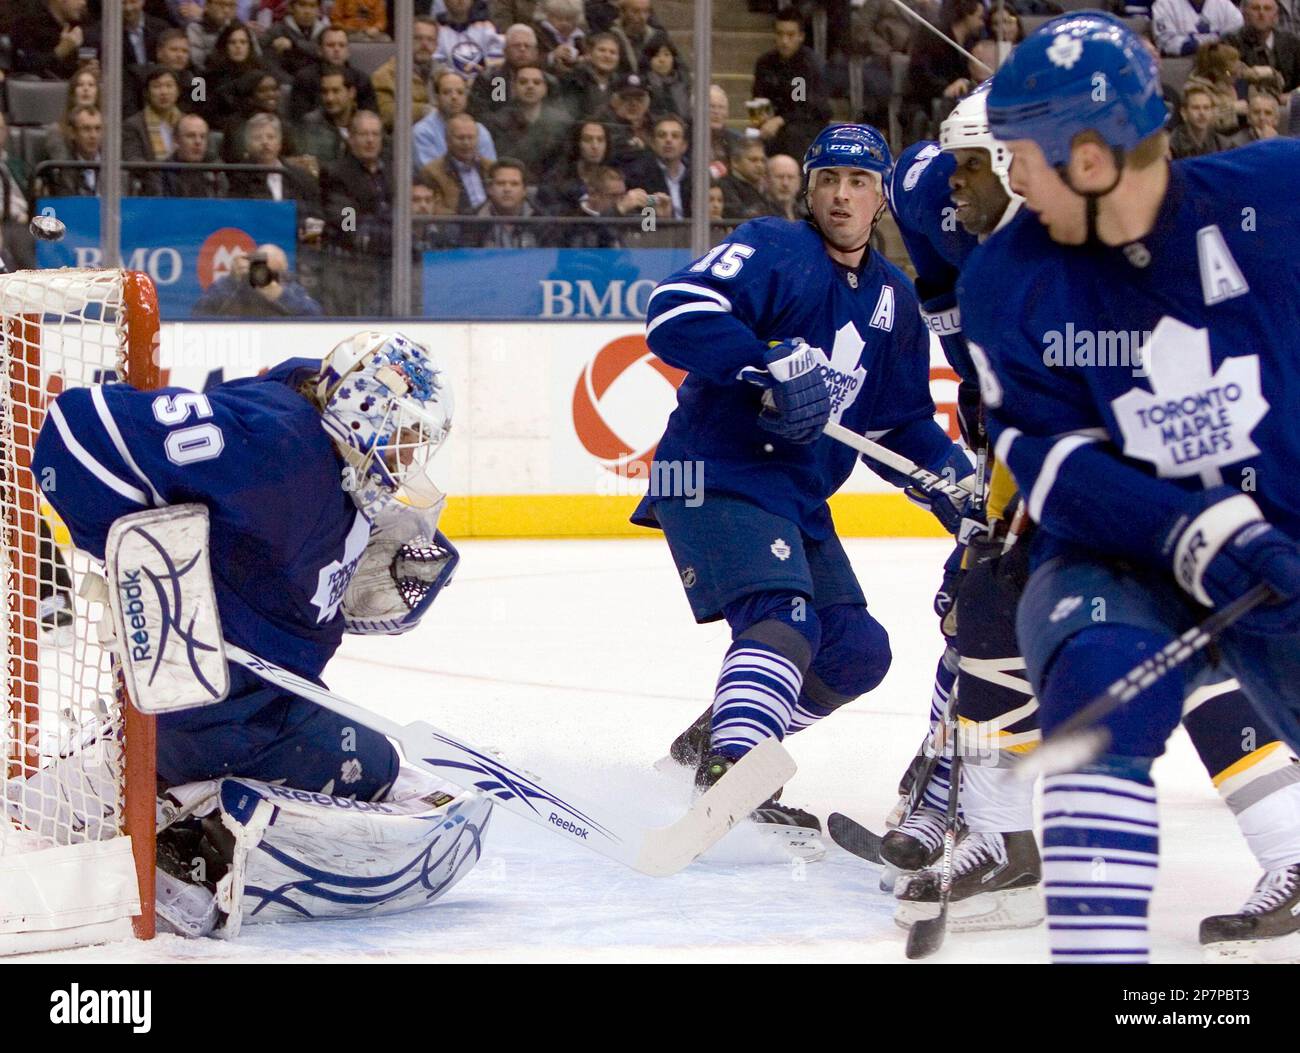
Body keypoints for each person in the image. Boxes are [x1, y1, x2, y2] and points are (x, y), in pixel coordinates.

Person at [884, 84, 1300, 952]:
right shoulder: (967, 230)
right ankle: (1000, 835)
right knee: (997, 613)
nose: (956, 187)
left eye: (977, 167)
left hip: (1189, 483)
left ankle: (1286, 841)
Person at [31, 329, 486, 935]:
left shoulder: (317, 462)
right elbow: (73, 433)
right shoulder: (282, 443)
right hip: (231, 720)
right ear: (364, 409)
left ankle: (150, 785)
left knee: (368, 748)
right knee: (374, 763)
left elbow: (276, 578)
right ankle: (196, 848)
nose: (404, 461)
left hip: (214, 709)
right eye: (402, 438)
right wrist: (148, 564)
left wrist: (360, 595)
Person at [635, 124, 972, 845]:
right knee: (784, 617)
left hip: (795, 496)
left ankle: (710, 740)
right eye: (828, 180)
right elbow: (673, 313)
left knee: (856, 651)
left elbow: (899, 426)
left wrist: (960, 491)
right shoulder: (774, 247)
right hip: (717, 469)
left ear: (882, 197)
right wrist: (761, 363)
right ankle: (735, 771)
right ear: (808, 189)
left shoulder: (896, 300)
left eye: (858, 182)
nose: (841, 194)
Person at [751, 8, 832, 160]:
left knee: (792, 136)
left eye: (790, 35)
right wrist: (759, 122)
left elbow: (801, 106)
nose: (784, 41)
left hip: (806, 125)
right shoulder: (765, 63)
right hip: (774, 124)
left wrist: (779, 120)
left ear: (800, 36)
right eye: (780, 34)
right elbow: (758, 97)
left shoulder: (806, 65)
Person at [191, 242, 322, 315]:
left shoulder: (289, 287)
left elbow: (316, 316)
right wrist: (232, 281)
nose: (265, 275)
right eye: (262, 268)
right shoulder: (237, 285)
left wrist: (279, 294)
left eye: (273, 272)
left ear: (284, 270)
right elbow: (199, 313)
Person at [413, 70, 498, 169]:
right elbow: (430, 175)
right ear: (436, 97)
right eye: (447, 92)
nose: (454, 97)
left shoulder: (480, 130)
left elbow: (491, 171)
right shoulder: (422, 132)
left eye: (460, 92)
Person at [373, 14, 439, 129]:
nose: (424, 44)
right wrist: (424, 111)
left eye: (430, 39)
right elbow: (386, 113)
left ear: (436, 45)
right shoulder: (385, 75)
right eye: (418, 38)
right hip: (402, 139)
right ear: (406, 40)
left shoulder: (444, 74)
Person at [1225, 0, 1300, 92]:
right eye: (1255, 8)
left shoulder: (1292, 43)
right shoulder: (1231, 42)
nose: (1261, 14)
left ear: (1276, 16)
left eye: (1267, 9)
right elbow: (1226, 74)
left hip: (1287, 102)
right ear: (1244, 14)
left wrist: (1292, 97)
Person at [1152, 0, 1244, 55]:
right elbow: (1167, 44)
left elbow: (1237, 35)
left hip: (1221, 62)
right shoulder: (1163, 5)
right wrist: (1217, 40)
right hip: (1182, 65)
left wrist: (1195, 42)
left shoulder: (1224, 4)